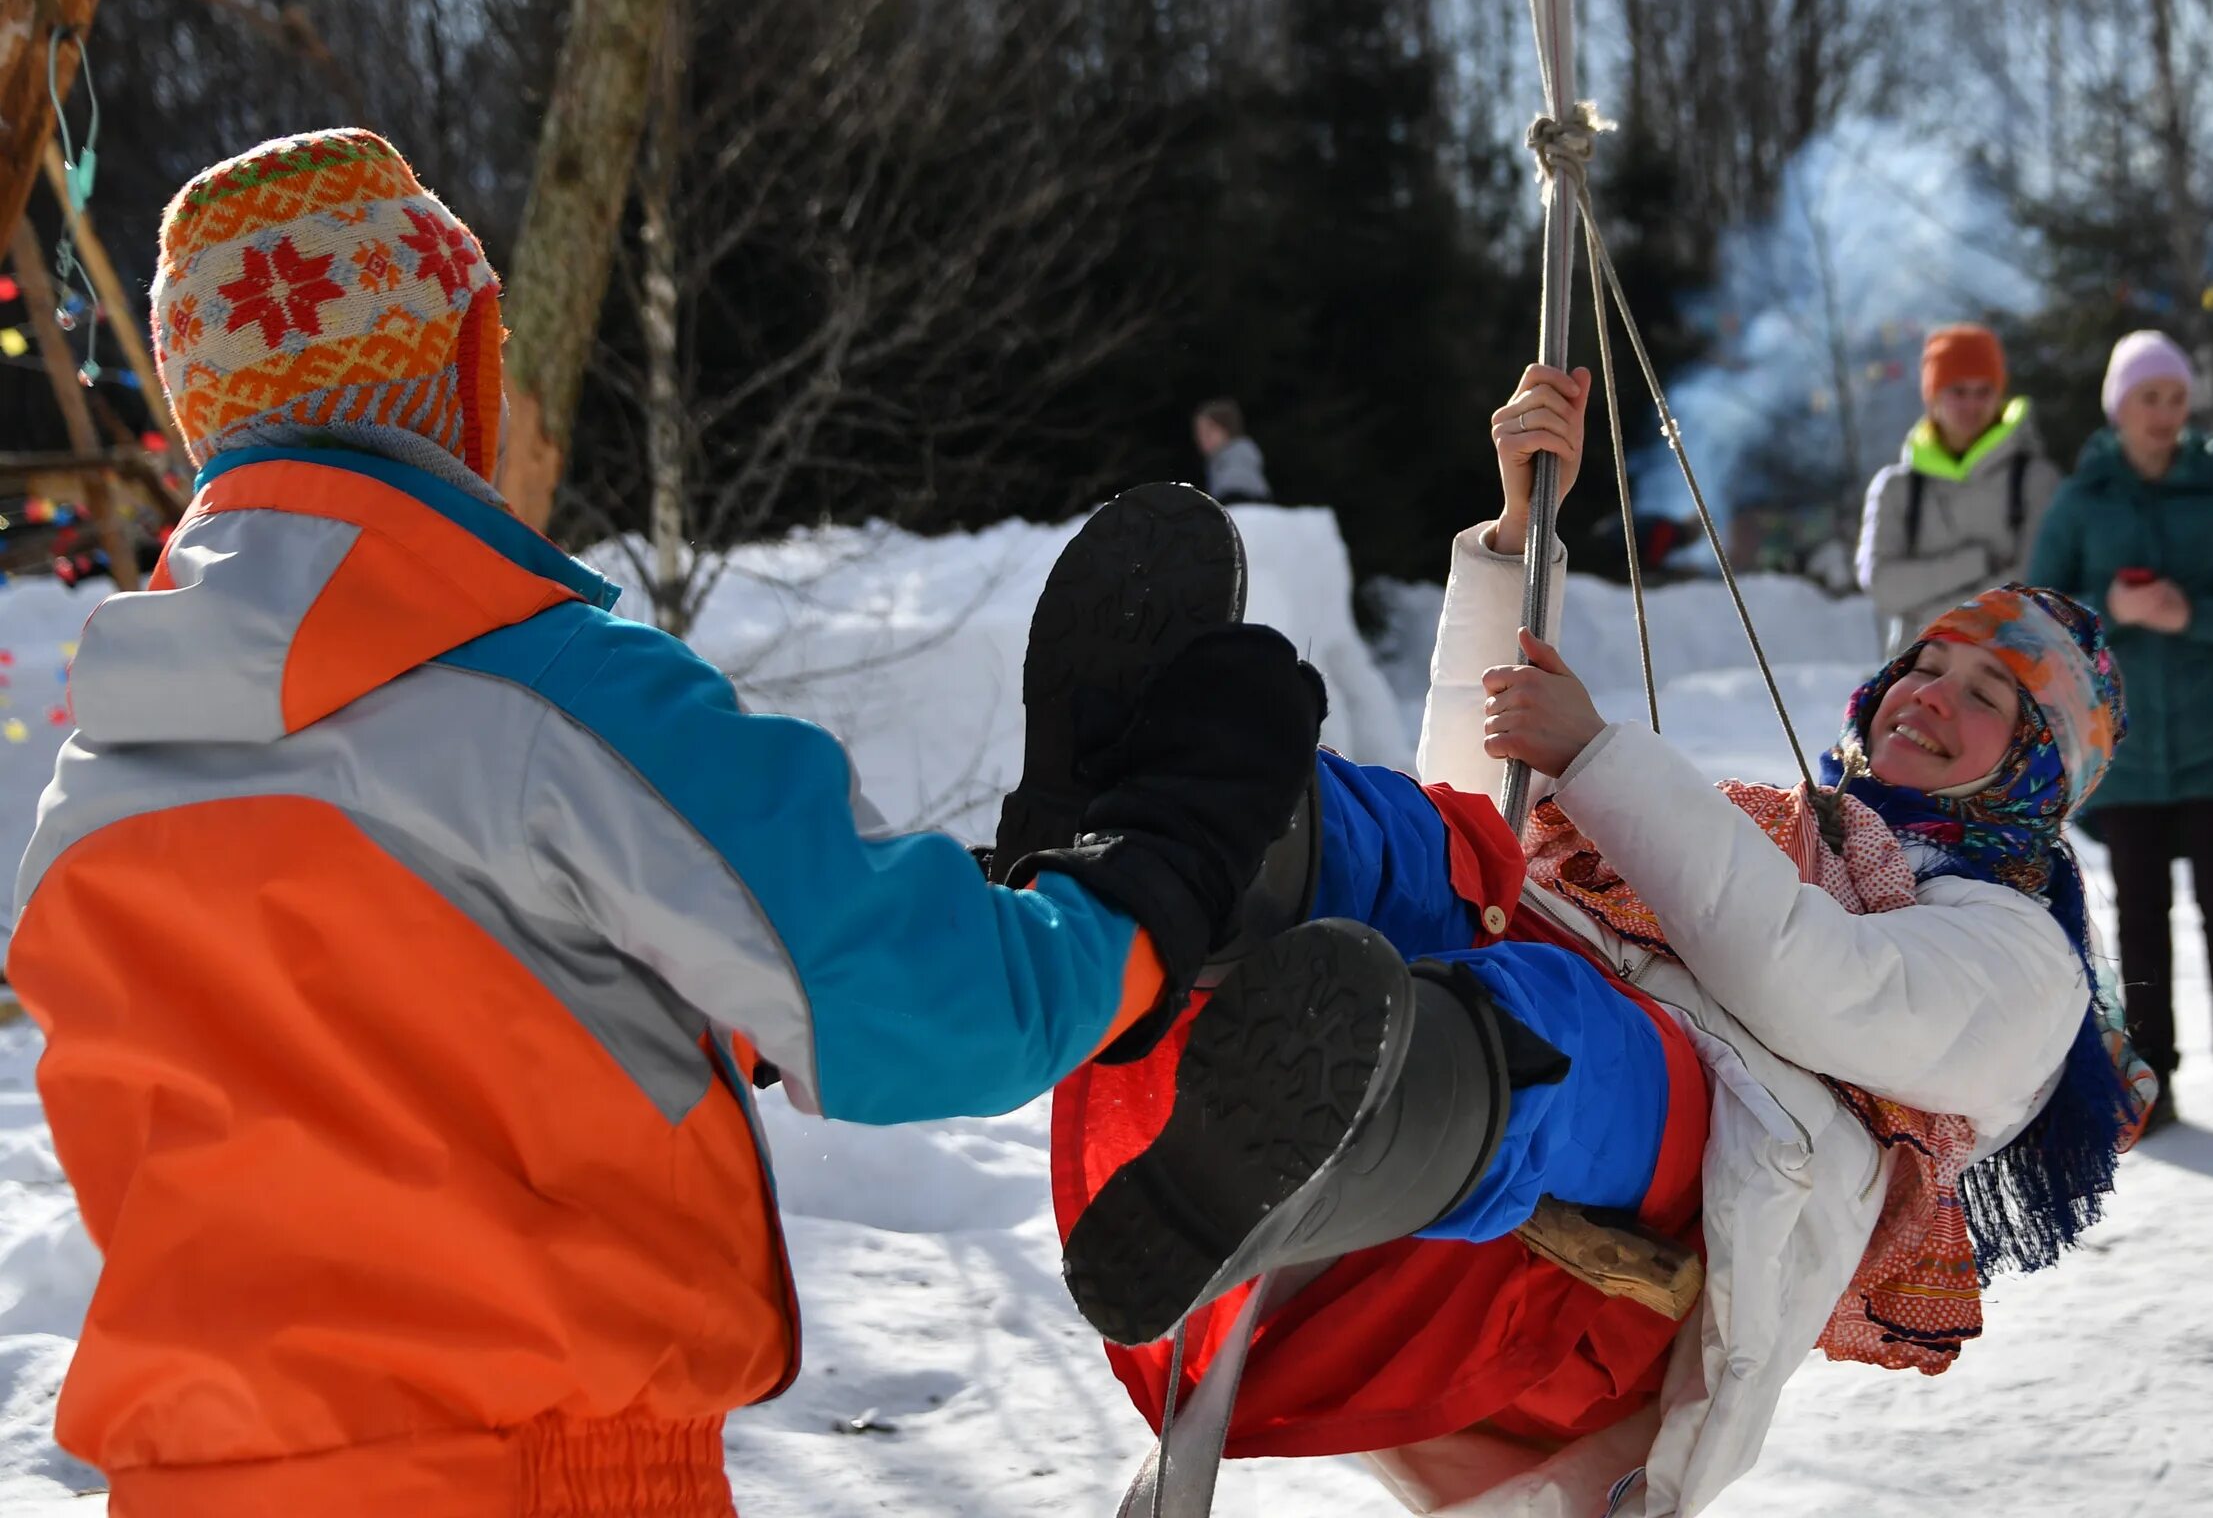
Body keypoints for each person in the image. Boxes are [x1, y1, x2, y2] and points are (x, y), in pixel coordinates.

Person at [5, 129, 1272, 1517]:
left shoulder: (85, 810)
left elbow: (387, 1053)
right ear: (459, 375)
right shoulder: (554, 703)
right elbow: (926, 1005)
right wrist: (1159, 880)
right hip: (535, 1480)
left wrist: (705, 983)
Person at [1049, 363, 2147, 1517]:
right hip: (1563, 979)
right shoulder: (1794, 828)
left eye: (1989, 693)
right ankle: (1149, 803)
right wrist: (1518, 538)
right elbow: (1489, 799)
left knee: (1556, 1030)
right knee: (1421, 843)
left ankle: (1282, 1156)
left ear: (2043, 766)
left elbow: (1826, 988)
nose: (1931, 689)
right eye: (1926, 658)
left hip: (1705, 1150)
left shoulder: (2024, 956)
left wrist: (1598, 755)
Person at [2027, 331, 2213, 1138]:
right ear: (2118, 407)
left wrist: (2194, 615)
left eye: (2175, 396)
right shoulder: (2083, 498)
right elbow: (2041, 616)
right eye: (2148, 397)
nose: (2164, 413)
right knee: (2140, 916)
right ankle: (2154, 1078)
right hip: (2123, 746)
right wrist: (2111, 605)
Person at [1857, 323, 2064, 647]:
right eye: (1958, 391)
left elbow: (2034, 592)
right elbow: (1883, 587)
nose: (1972, 405)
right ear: (1933, 396)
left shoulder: (2035, 481)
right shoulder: (1895, 488)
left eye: (1984, 391)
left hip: (2012, 681)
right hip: (1918, 683)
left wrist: (1926, 616)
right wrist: (1976, 563)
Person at [1194, 396, 1273, 503]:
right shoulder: (1217, 461)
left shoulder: (1237, 454)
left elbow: (1235, 492)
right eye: (1199, 434)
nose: (1203, 439)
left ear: (1226, 429)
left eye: (1209, 432)